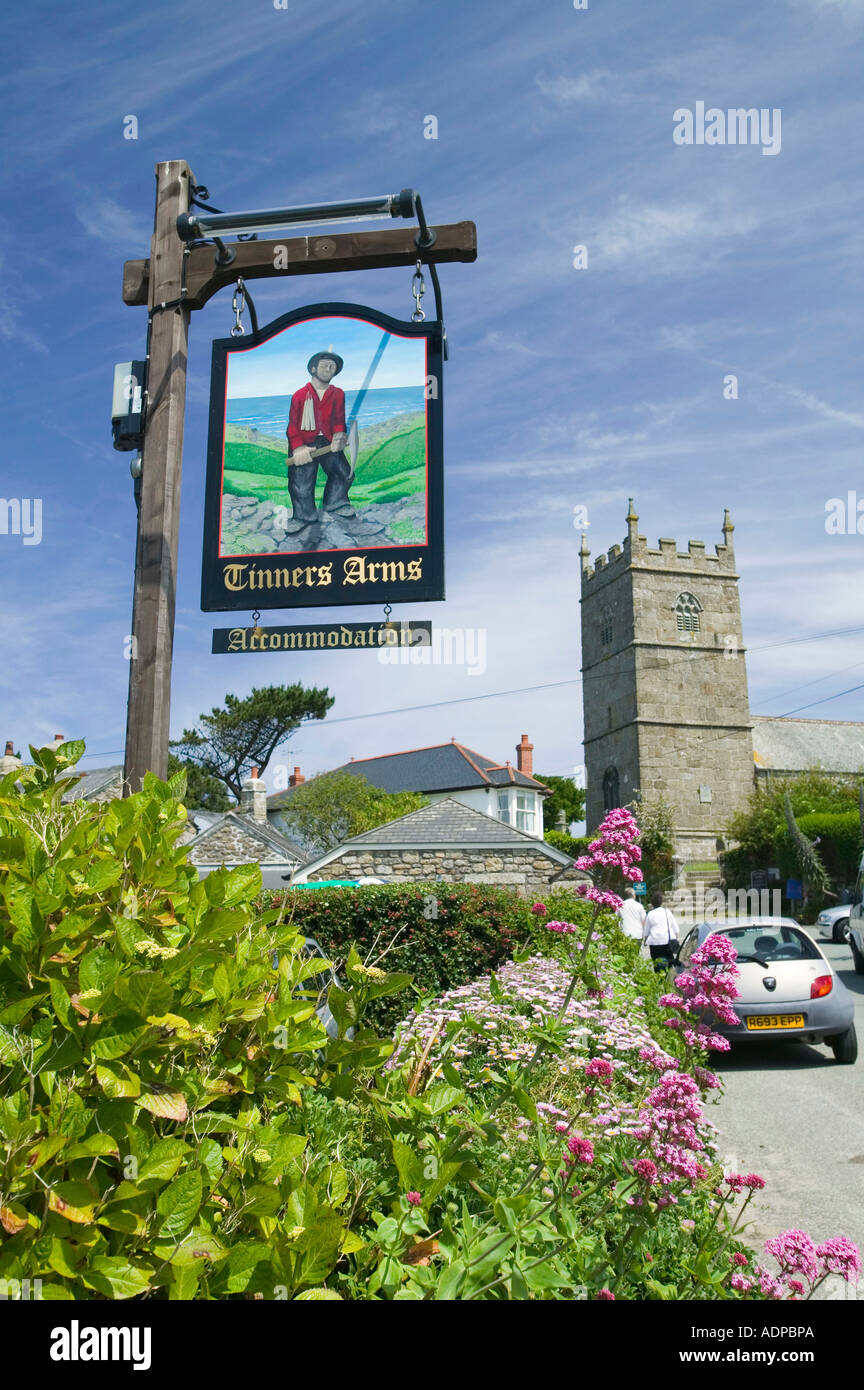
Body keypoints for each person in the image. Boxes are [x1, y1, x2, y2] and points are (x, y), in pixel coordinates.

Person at [284, 351, 354, 533]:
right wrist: (298, 447)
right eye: (324, 365)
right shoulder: (300, 395)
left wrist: (339, 435)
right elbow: (292, 426)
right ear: (313, 369)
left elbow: (339, 419)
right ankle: (303, 516)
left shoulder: (338, 394)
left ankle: (335, 503)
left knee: (344, 472)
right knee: (301, 480)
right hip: (304, 442)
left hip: (329, 441)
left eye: (332, 366)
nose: (328, 369)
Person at [643, 890, 679, 973]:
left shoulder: (650, 914)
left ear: (652, 903)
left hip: (654, 942)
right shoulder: (667, 912)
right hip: (667, 941)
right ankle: (668, 978)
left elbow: (646, 931)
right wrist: (676, 937)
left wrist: (645, 941)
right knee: (669, 963)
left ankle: (660, 980)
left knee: (657, 963)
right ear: (661, 902)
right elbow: (676, 928)